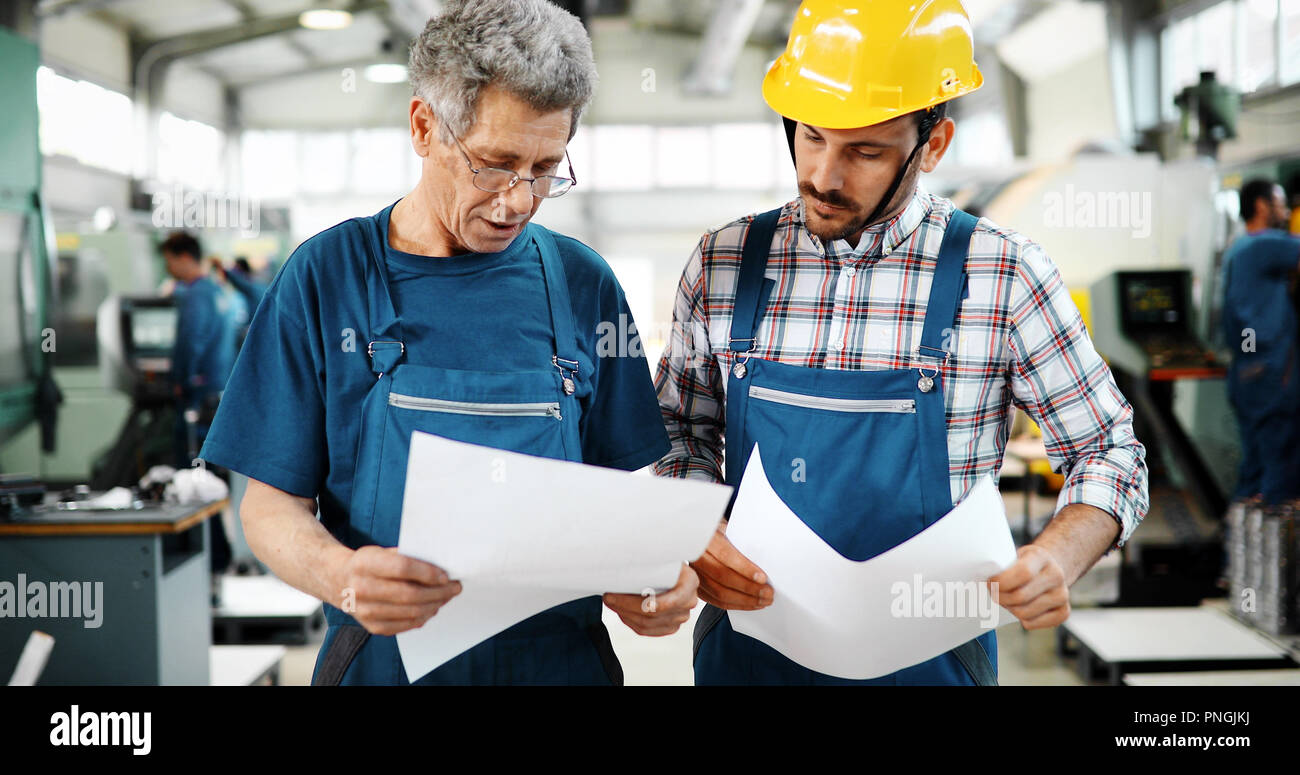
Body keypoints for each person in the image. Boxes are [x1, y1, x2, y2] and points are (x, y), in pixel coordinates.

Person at [198, 0, 697, 686]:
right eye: (495, 164)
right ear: (424, 126)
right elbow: (267, 505)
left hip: (558, 666)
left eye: (546, 168)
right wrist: (343, 575)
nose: (520, 199)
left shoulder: (584, 284)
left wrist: (646, 582)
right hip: (385, 666)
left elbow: (610, 506)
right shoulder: (326, 278)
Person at [654, 0, 1149, 685]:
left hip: (932, 663)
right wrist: (692, 527)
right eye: (812, 137)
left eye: (864, 151)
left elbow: (1109, 448)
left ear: (933, 144)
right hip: (750, 652)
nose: (825, 176)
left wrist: (1057, 557)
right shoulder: (725, 262)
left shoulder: (1002, 274)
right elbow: (678, 430)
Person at [160, 232, 238, 574]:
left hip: (196, 399)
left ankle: (204, 561)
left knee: (191, 483)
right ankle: (217, 556)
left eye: (168, 260)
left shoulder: (195, 297)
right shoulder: (217, 292)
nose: (169, 267)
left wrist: (179, 381)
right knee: (209, 479)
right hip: (216, 394)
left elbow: (190, 343)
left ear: (180, 257)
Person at [1221, 179, 1300, 505]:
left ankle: (1240, 550)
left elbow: (1242, 321)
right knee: (1278, 466)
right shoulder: (1265, 245)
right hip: (1267, 370)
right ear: (1261, 205)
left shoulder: (1237, 249)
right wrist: (1261, 359)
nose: (1284, 210)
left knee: (1253, 468)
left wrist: (1250, 357)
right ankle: (1276, 550)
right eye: (1281, 202)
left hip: (1246, 370)